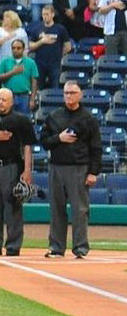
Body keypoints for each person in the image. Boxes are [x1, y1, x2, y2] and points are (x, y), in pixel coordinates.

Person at [38, 80, 100, 259]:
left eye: (73, 93)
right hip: (56, 167)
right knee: (56, 209)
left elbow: (96, 148)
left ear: (80, 94)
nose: (69, 96)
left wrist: (93, 172)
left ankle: (80, 247)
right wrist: (59, 138)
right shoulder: (54, 117)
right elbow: (43, 142)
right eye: (66, 93)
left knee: (79, 210)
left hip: (79, 168)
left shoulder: (89, 119)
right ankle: (56, 247)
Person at [0, 88, 35, 256]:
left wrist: (27, 170)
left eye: (4, 99)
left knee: (12, 206)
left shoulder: (21, 120)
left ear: (12, 101)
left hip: (11, 167)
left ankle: (13, 246)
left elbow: (28, 146)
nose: (0, 102)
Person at [0, 40, 38, 114]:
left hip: (24, 96)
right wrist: (12, 72)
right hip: (8, 97)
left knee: (23, 121)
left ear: (23, 49)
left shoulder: (31, 62)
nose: (15, 50)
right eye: (13, 48)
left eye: (18, 48)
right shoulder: (5, 61)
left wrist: (32, 99)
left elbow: (34, 82)